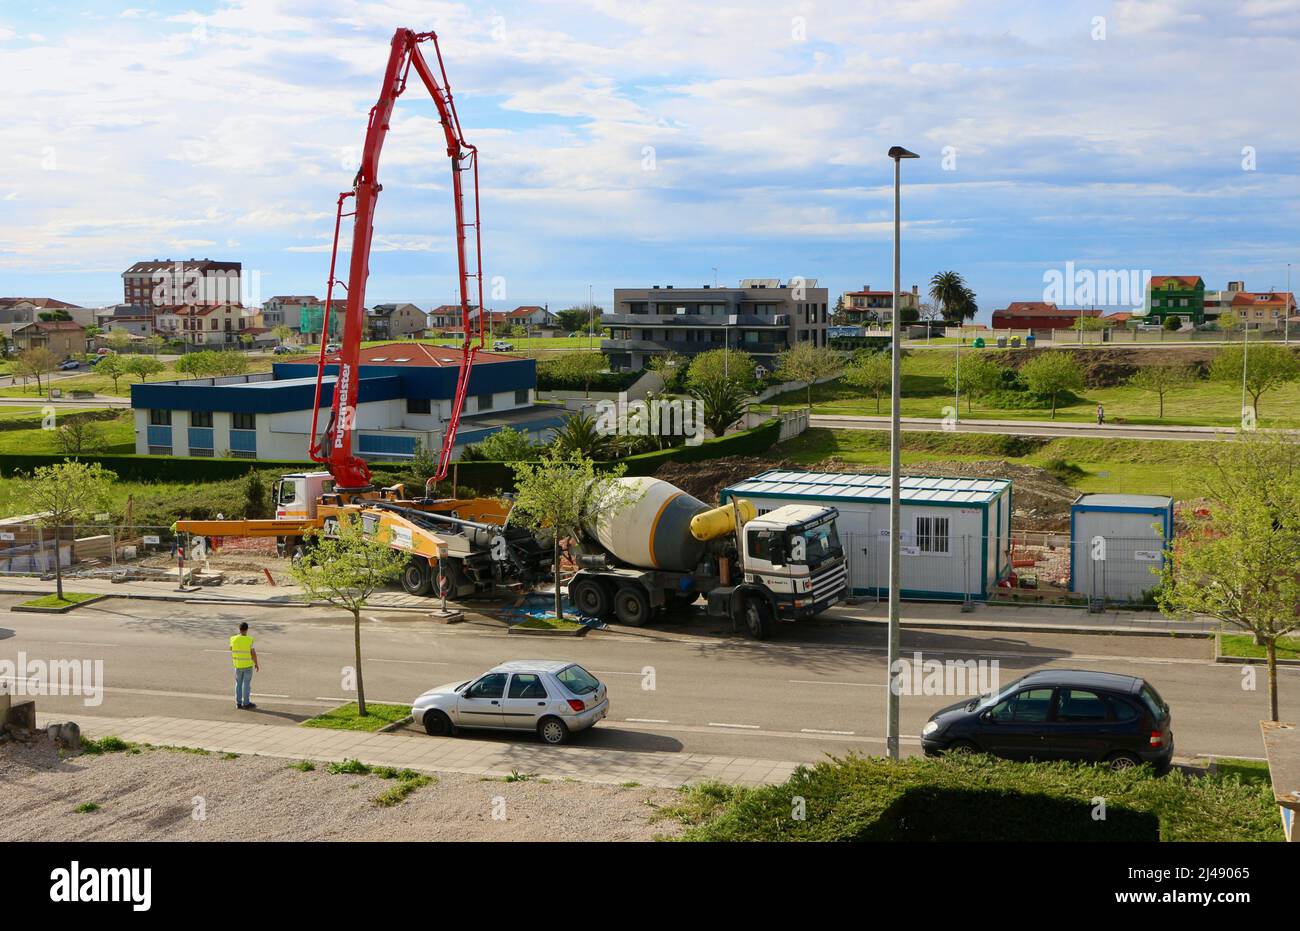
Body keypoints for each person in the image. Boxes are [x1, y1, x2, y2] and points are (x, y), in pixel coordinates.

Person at [229, 622, 259, 710]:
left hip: (237, 665)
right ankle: (246, 703)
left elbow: (231, 648)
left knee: (238, 684)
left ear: (239, 629)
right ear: (247, 629)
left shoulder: (233, 639)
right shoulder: (250, 639)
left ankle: (238, 703)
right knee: (246, 685)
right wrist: (256, 663)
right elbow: (253, 653)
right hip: (248, 665)